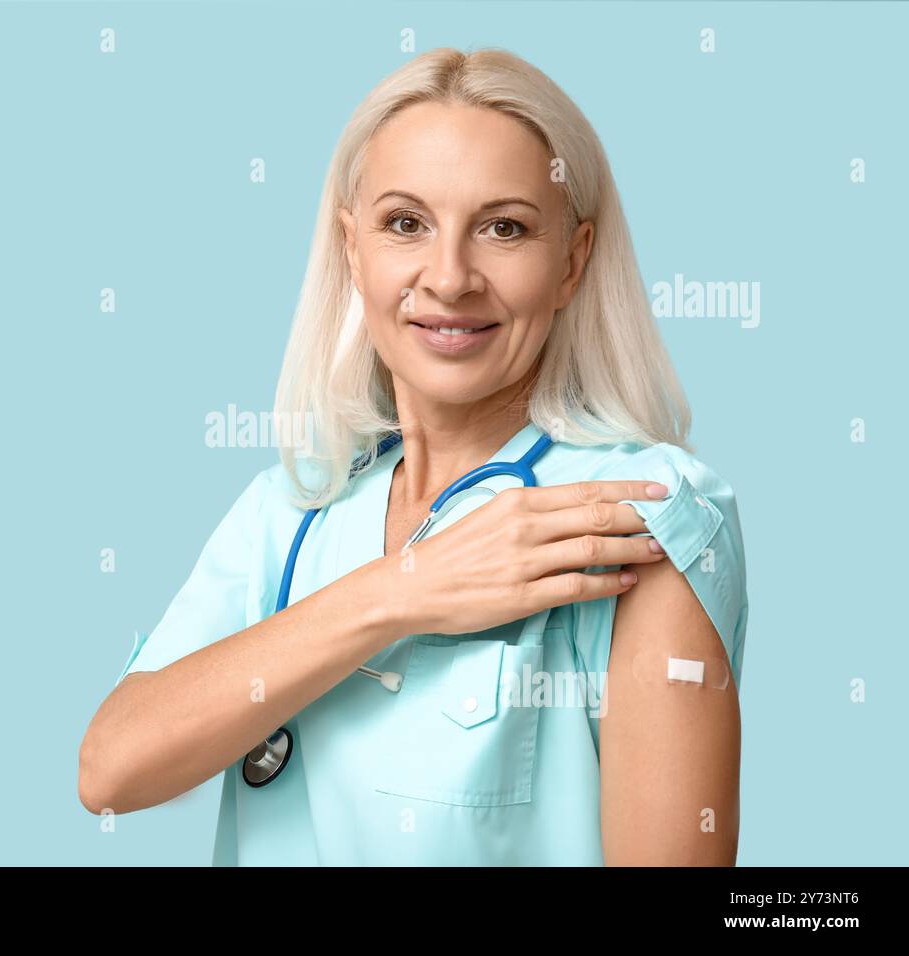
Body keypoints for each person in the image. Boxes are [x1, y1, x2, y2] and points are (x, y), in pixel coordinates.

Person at [79, 47, 747, 866]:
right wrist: (405, 591)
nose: (450, 277)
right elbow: (110, 769)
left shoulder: (634, 513)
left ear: (571, 260)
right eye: (406, 223)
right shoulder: (293, 509)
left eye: (504, 228)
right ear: (352, 247)